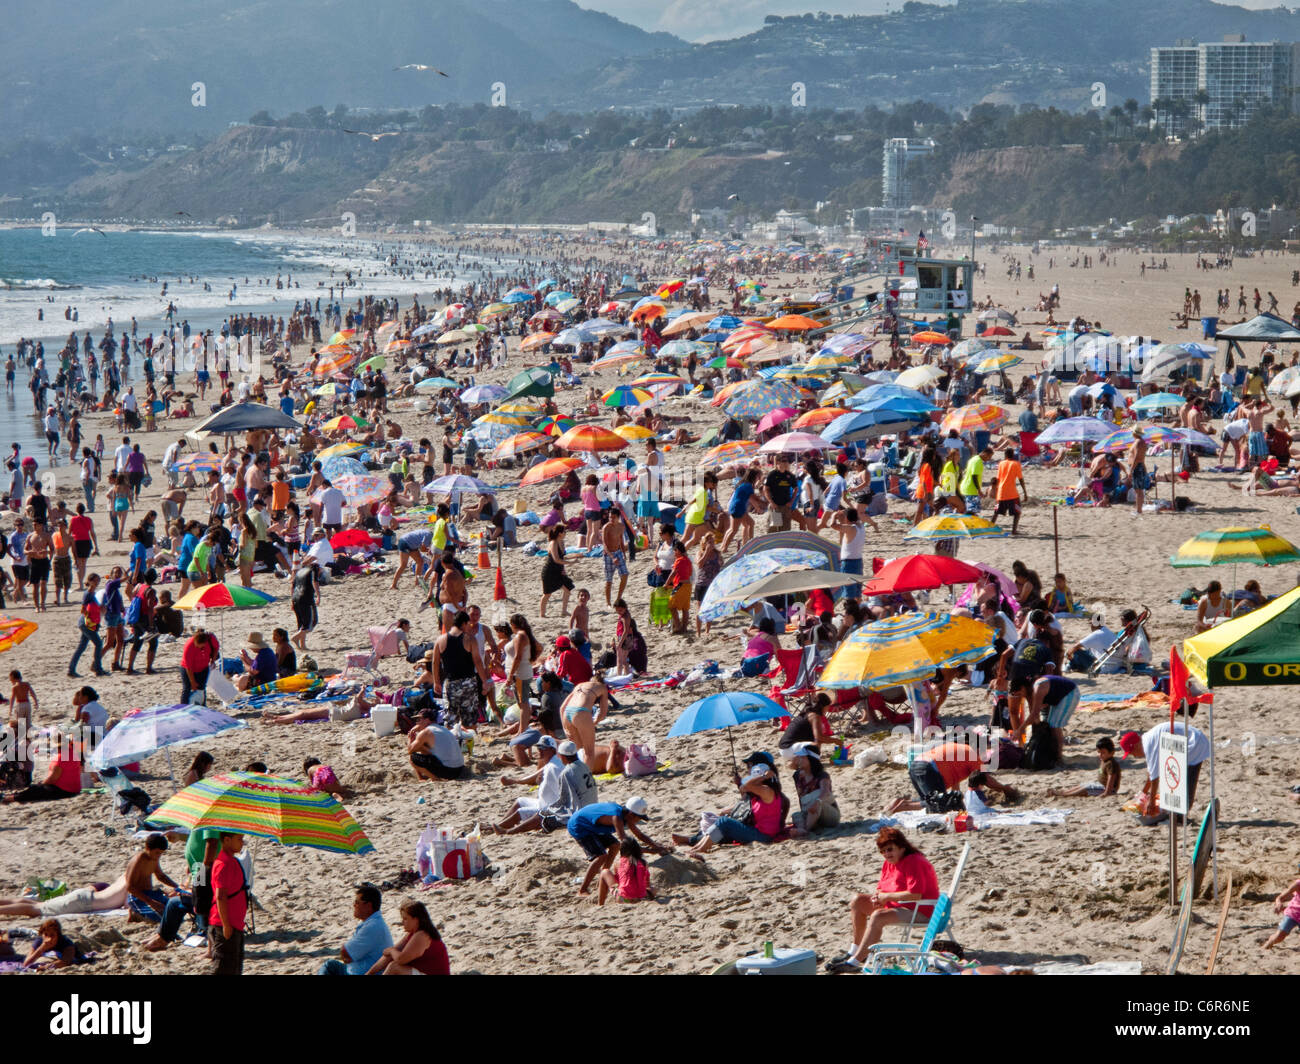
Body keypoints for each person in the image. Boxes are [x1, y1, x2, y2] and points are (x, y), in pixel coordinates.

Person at [825, 827, 940, 973]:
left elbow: (915, 894)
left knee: (878, 916)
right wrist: (877, 896)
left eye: (890, 849)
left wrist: (886, 897)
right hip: (899, 906)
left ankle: (854, 962)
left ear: (902, 847)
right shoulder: (889, 862)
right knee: (857, 901)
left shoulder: (914, 861)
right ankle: (854, 951)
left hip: (921, 910)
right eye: (883, 851)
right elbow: (882, 887)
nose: (886, 854)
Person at [677, 762, 788, 858]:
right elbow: (744, 787)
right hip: (759, 832)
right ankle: (697, 846)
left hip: (764, 836)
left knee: (725, 822)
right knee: (722, 826)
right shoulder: (758, 794)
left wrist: (764, 776)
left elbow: (747, 785)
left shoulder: (767, 791)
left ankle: (700, 848)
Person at [1120, 705, 1212, 820]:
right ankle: (1178, 813)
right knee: (1175, 777)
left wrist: (1151, 802)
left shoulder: (1148, 745)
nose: (1134, 756)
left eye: (1132, 752)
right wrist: (1142, 794)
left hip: (1194, 744)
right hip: (1186, 743)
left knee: (1186, 781)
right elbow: (1151, 773)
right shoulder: (1148, 739)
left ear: (1136, 745)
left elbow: (1154, 777)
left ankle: (1181, 816)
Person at [568, 796, 671, 895]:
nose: (638, 821)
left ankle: (602, 880)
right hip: (579, 826)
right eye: (639, 818)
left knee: (615, 845)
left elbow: (640, 835)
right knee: (601, 856)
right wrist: (652, 851)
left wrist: (656, 846)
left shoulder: (626, 816)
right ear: (631, 814)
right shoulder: (616, 818)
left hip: (593, 826)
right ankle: (582, 890)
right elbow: (627, 845)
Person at [888, 739, 1018, 814]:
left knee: (928, 800)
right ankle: (901, 808)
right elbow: (986, 780)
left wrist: (958, 801)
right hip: (929, 769)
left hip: (917, 765)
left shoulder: (958, 750)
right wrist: (1005, 789)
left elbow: (955, 787)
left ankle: (903, 802)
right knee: (937, 803)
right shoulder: (970, 753)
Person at [491, 736, 564, 835]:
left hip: (550, 807)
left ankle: (499, 829)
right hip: (544, 802)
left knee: (521, 812)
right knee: (520, 801)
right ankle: (500, 825)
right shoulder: (551, 763)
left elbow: (562, 792)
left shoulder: (553, 767)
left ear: (552, 750)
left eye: (543, 749)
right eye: (539, 748)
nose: (540, 751)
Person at [430, 610, 488, 729]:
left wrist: (436, 681)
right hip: (468, 682)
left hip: (450, 683)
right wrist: (484, 680)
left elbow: (435, 662)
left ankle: (451, 743)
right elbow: (477, 661)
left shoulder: (440, 640)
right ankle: (468, 744)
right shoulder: (470, 639)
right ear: (464, 623)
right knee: (469, 718)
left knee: (450, 718)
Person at [319, 883, 393, 975]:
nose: (354, 905)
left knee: (328, 966)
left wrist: (347, 954)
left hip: (362, 972)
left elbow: (345, 953)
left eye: (357, 902)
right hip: (358, 969)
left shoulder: (372, 926)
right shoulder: (374, 922)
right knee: (330, 965)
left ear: (368, 906)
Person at [367, 898, 449, 975]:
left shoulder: (422, 935)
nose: (402, 922)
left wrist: (391, 951)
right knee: (392, 959)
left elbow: (400, 959)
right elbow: (389, 955)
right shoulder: (412, 934)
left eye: (405, 919)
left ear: (416, 919)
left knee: (394, 967)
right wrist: (369, 973)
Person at [208, 832, 248, 975]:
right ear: (226, 840)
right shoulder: (223, 863)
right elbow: (220, 896)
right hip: (224, 923)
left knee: (234, 967)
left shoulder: (231, 861)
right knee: (222, 968)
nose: (242, 842)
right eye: (239, 839)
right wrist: (226, 925)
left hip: (235, 922)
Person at [786, 741, 840, 835]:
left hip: (829, 814)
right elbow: (790, 766)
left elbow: (825, 792)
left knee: (816, 798)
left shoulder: (822, 775)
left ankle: (805, 830)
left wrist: (817, 802)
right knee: (796, 815)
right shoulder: (798, 775)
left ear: (811, 759)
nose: (800, 760)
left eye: (803, 757)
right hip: (810, 812)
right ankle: (804, 828)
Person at [559, 674, 611, 764]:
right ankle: (586, 776)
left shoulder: (579, 685)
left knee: (578, 750)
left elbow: (562, 708)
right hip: (580, 712)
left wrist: (564, 727)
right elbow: (603, 713)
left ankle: (576, 774)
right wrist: (594, 722)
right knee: (589, 752)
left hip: (567, 713)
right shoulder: (602, 687)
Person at [1048, 737, 1121, 798]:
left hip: (1107, 789)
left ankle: (1065, 795)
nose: (1100, 755)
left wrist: (1106, 793)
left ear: (1112, 752)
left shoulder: (1111, 764)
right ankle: (1064, 792)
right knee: (1083, 785)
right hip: (1100, 785)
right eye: (1099, 752)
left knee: (1085, 789)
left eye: (1103, 753)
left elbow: (1111, 779)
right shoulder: (1104, 760)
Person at [407, 708, 467, 781]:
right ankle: (422, 778)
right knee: (423, 748)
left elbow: (410, 750)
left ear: (427, 720)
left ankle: (435, 779)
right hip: (459, 770)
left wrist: (411, 738)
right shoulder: (442, 728)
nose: (417, 723)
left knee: (413, 758)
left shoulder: (426, 732)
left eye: (419, 720)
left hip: (449, 771)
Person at [67, 572, 107, 678]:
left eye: (98, 581)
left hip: (86, 623)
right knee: (98, 644)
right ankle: (98, 668)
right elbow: (83, 609)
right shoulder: (88, 593)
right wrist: (90, 621)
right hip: (86, 623)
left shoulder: (92, 593)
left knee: (82, 646)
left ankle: (71, 669)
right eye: (95, 581)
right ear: (90, 581)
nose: (97, 583)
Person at [597, 836, 656, 906]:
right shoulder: (644, 863)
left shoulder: (618, 863)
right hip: (641, 898)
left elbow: (619, 882)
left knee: (605, 872)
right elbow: (647, 884)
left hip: (623, 899)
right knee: (653, 889)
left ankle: (600, 904)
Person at [19, 918, 83, 970]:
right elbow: (26, 963)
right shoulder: (39, 941)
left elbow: (65, 961)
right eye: (46, 934)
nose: (49, 938)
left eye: (52, 935)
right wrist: (41, 948)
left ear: (58, 935)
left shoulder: (66, 942)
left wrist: (45, 967)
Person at [1262, 864, 1300, 950]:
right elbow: (1280, 897)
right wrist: (1278, 903)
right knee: (1279, 936)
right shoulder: (1297, 884)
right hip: (1293, 913)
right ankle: (1267, 944)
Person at [179, 629, 219, 704]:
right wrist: (192, 682)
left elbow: (216, 647)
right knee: (187, 689)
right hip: (188, 669)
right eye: (198, 646)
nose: (200, 648)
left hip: (203, 668)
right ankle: (183, 708)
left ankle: (203, 707)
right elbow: (188, 667)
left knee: (202, 689)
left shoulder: (210, 639)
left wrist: (213, 660)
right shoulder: (189, 646)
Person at [992, 447, 1026, 534]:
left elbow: (998, 478)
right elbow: (1020, 479)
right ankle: (1014, 531)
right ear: (1013, 455)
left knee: (996, 512)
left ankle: (990, 528)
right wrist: (1025, 492)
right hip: (1012, 494)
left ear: (1005, 455)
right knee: (1017, 512)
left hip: (1001, 492)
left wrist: (994, 490)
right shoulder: (1016, 464)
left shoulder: (1001, 464)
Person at [291, 554, 321, 650]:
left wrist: (292, 601)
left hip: (296, 598)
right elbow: (315, 582)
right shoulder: (313, 569)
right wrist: (318, 596)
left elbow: (292, 586)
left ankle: (303, 645)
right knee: (312, 622)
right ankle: (295, 638)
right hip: (306, 598)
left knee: (302, 623)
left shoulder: (299, 571)